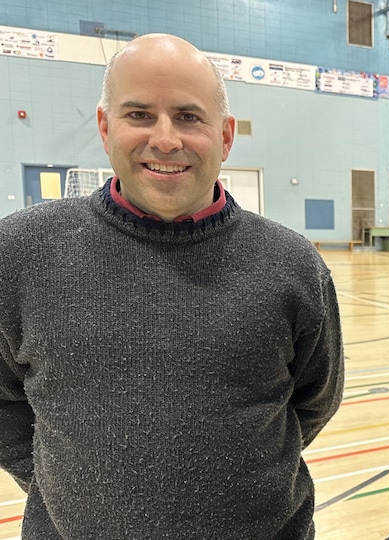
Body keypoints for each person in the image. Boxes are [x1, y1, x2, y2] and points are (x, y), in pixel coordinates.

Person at [0, 34, 345, 539]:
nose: (164, 139)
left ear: (225, 135)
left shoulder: (292, 265)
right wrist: (68, 486)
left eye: (188, 116)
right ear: (104, 127)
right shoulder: (19, 253)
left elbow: (315, 400)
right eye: (139, 114)